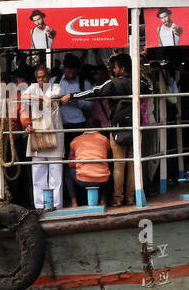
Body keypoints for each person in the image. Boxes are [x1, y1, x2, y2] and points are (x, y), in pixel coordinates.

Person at [60, 53, 149, 207]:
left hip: (118, 128)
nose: (113, 70)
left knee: (119, 165)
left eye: (114, 67)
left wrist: (72, 96)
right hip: (135, 126)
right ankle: (130, 197)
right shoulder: (140, 81)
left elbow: (95, 91)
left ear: (121, 68)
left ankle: (118, 198)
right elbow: (151, 89)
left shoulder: (114, 83)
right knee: (134, 164)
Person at [21, 64, 64, 210]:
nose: (41, 79)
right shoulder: (33, 88)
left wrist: (42, 98)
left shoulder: (55, 87)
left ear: (49, 77)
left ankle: (56, 205)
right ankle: (40, 206)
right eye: (38, 77)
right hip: (37, 133)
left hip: (54, 133)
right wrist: (40, 97)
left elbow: (53, 97)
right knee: (38, 171)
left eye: (44, 76)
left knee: (55, 171)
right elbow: (23, 96)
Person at [66, 127, 112, 207]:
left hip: (82, 179)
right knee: (109, 168)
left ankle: (74, 202)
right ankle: (103, 200)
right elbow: (108, 156)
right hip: (102, 179)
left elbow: (71, 162)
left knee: (67, 171)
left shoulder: (76, 140)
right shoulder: (104, 139)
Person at [54, 55, 90, 133]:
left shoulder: (84, 83)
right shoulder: (54, 81)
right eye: (69, 71)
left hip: (78, 124)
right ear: (64, 68)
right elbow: (47, 100)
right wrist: (59, 100)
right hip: (58, 123)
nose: (71, 75)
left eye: (74, 72)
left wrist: (77, 101)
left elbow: (90, 105)